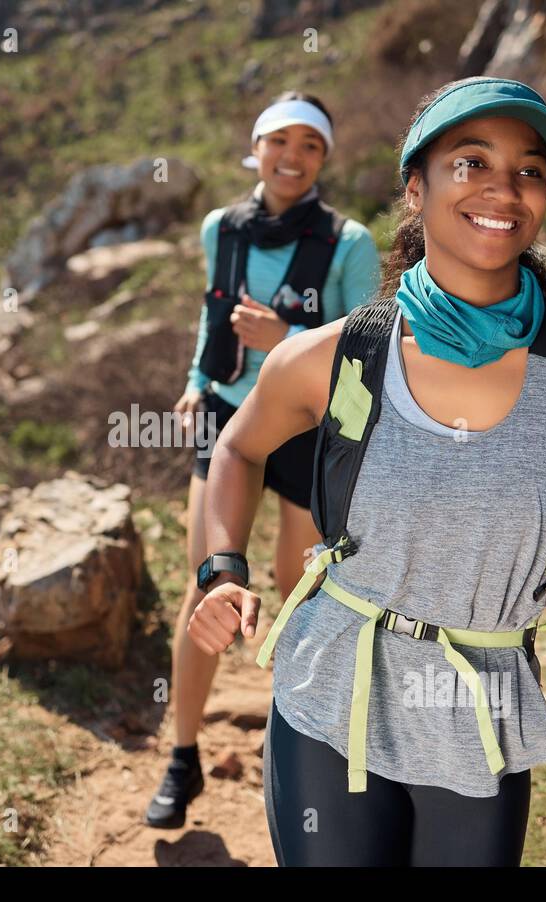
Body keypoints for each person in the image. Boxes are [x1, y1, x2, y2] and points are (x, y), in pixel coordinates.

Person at [187, 77, 546, 864]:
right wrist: (221, 570)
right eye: (471, 161)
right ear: (415, 189)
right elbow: (238, 448)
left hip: (478, 709)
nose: (503, 188)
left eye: (529, 170)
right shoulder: (337, 354)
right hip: (329, 697)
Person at [145, 91, 381, 829]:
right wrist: (193, 384)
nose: (293, 156)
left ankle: (304, 751)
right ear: (256, 147)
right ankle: (182, 758)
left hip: (309, 425)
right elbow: (212, 313)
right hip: (223, 418)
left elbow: (367, 345)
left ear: (324, 159)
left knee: (299, 594)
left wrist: (287, 331)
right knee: (209, 582)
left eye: (310, 145)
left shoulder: (350, 243)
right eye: (280, 140)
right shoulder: (223, 228)